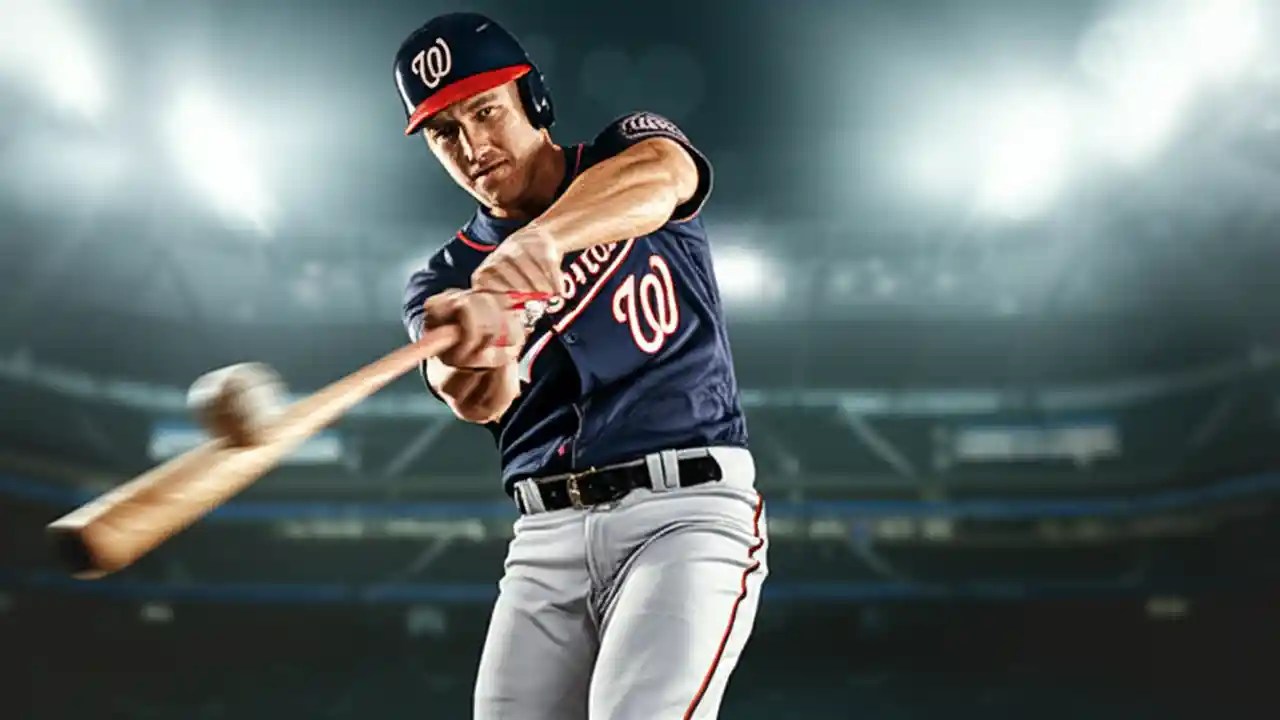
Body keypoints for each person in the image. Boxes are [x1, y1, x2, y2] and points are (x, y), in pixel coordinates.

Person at [395, 12, 769, 720]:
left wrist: (541, 242)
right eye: (445, 131)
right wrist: (480, 335)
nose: (472, 144)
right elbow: (475, 399)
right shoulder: (443, 278)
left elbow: (665, 176)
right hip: (544, 540)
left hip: (682, 513)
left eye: (484, 110)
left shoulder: (620, 153)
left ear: (532, 99)